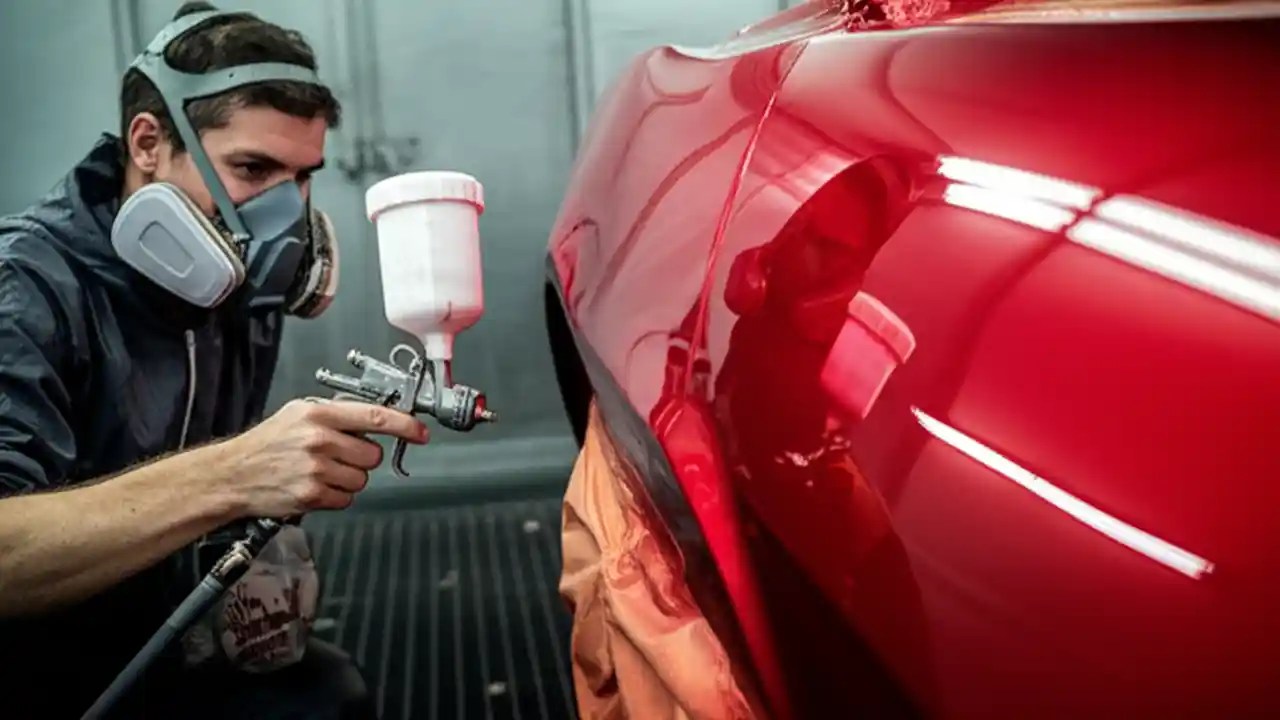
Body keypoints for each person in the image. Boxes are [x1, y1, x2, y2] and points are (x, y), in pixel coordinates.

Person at [0, 3, 424, 718]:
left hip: (171, 636)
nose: (282, 217)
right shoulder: (27, 289)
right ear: (146, 143)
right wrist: (237, 475)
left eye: (302, 177)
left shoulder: (239, 290)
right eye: (252, 168)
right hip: (42, 671)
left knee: (328, 697)